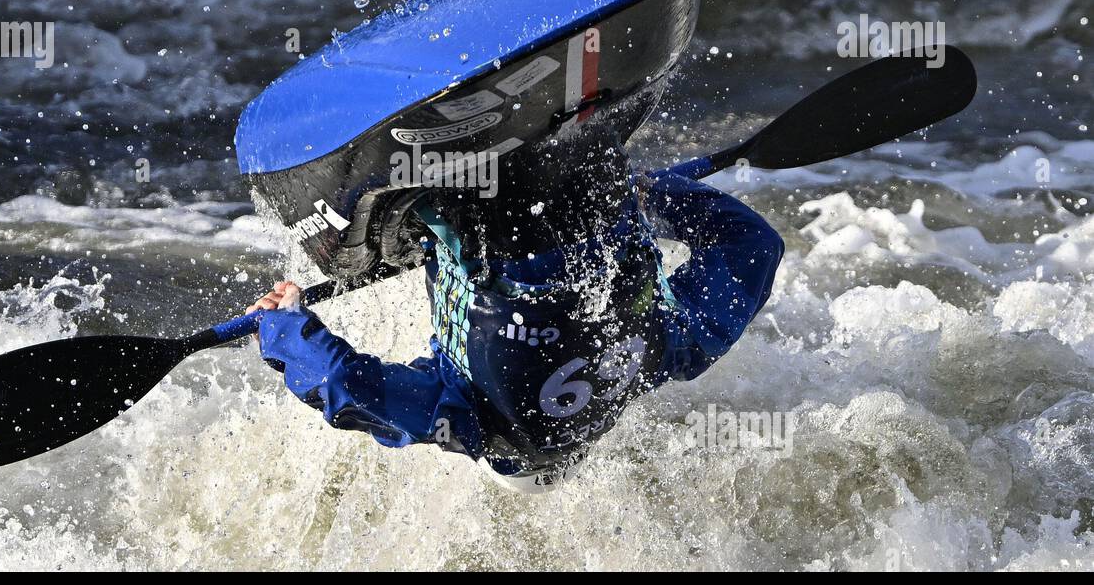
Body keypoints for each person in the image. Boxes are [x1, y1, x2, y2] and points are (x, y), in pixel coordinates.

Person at [247, 135, 783, 492]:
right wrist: (284, 327)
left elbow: (754, 245)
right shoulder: (477, 426)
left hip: (598, 177)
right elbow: (345, 384)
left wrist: (652, 194)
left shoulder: (667, 357)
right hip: (481, 212)